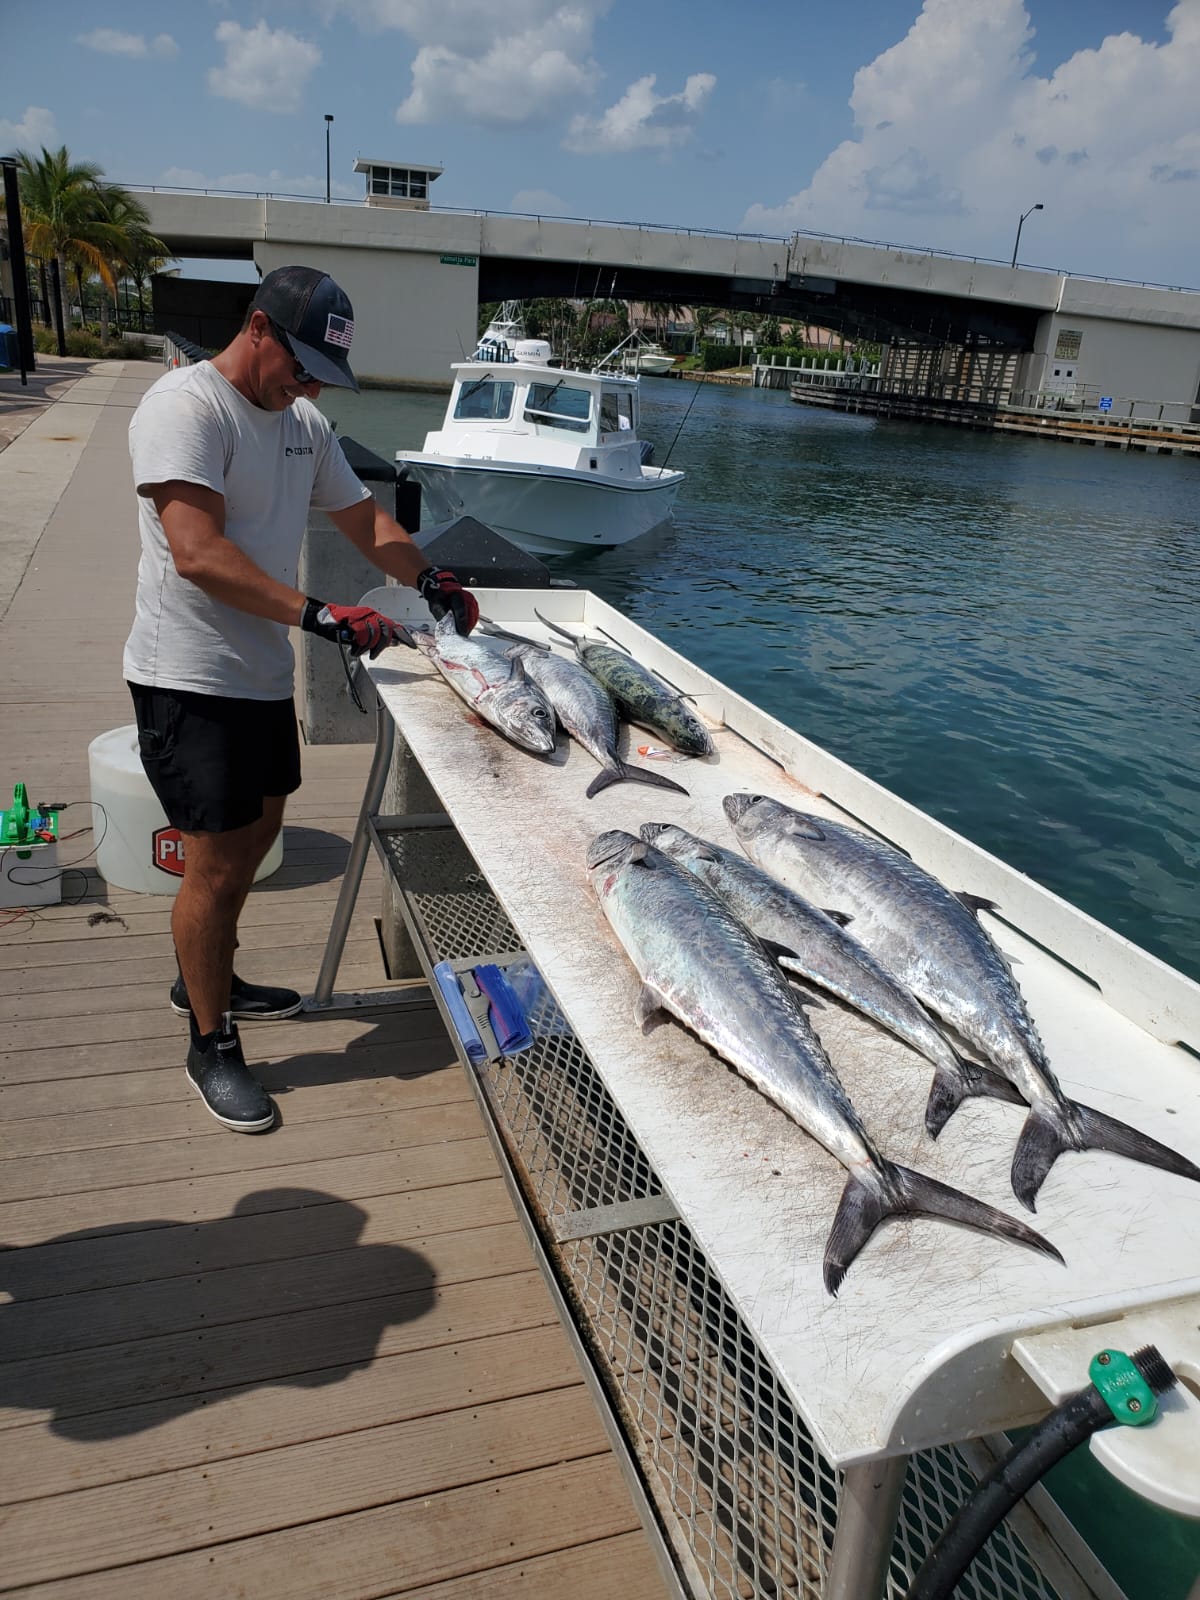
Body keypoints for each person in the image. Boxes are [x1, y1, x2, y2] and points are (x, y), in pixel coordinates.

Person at [123, 264, 479, 1135]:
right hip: (187, 675)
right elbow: (198, 553)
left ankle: (206, 975)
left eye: (322, 373)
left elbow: (367, 525)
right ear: (258, 329)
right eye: (302, 364)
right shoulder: (185, 409)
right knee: (211, 863)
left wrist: (431, 578)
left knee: (258, 834)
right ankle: (211, 1040)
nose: (309, 384)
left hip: (258, 676)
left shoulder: (304, 423)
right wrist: (322, 615)